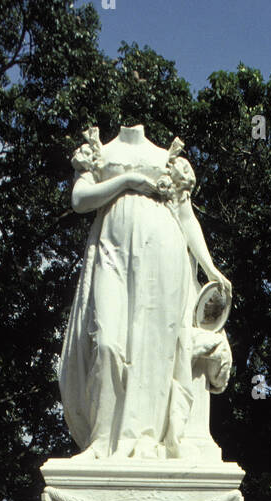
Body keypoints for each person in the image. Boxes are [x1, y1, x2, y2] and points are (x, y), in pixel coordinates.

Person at [59, 123, 232, 460]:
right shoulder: (100, 151)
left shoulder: (166, 158)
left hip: (164, 256)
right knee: (106, 342)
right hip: (112, 252)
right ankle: (102, 442)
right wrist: (126, 181)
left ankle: (144, 439)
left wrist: (210, 267)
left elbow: (185, 215)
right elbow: (79, 200)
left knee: (153, 347)